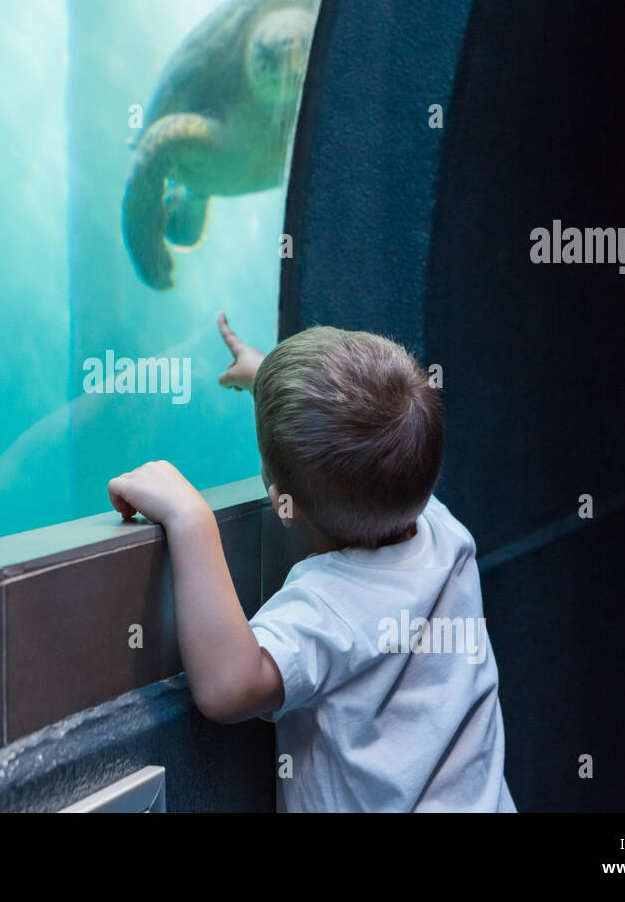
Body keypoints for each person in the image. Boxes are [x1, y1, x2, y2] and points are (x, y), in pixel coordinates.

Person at [107, 313, 516, 812]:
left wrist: (191, 519)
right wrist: (267, 379)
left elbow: (228, 688)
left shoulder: (331, 604)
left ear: (282, 502)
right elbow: (370, 455)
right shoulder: (445, 531)